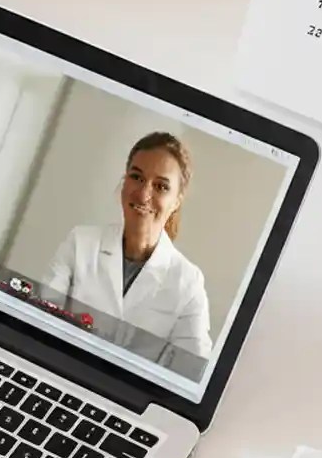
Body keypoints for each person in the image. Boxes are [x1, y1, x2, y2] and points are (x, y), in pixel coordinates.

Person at [42, 131, 212, 359]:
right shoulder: (80, 242)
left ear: (177, 201)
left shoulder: (189, 282)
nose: (143, 194)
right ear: (124, 180)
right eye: (137, 177)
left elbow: (191, 370)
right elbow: (40, 318)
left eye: (161, 187)